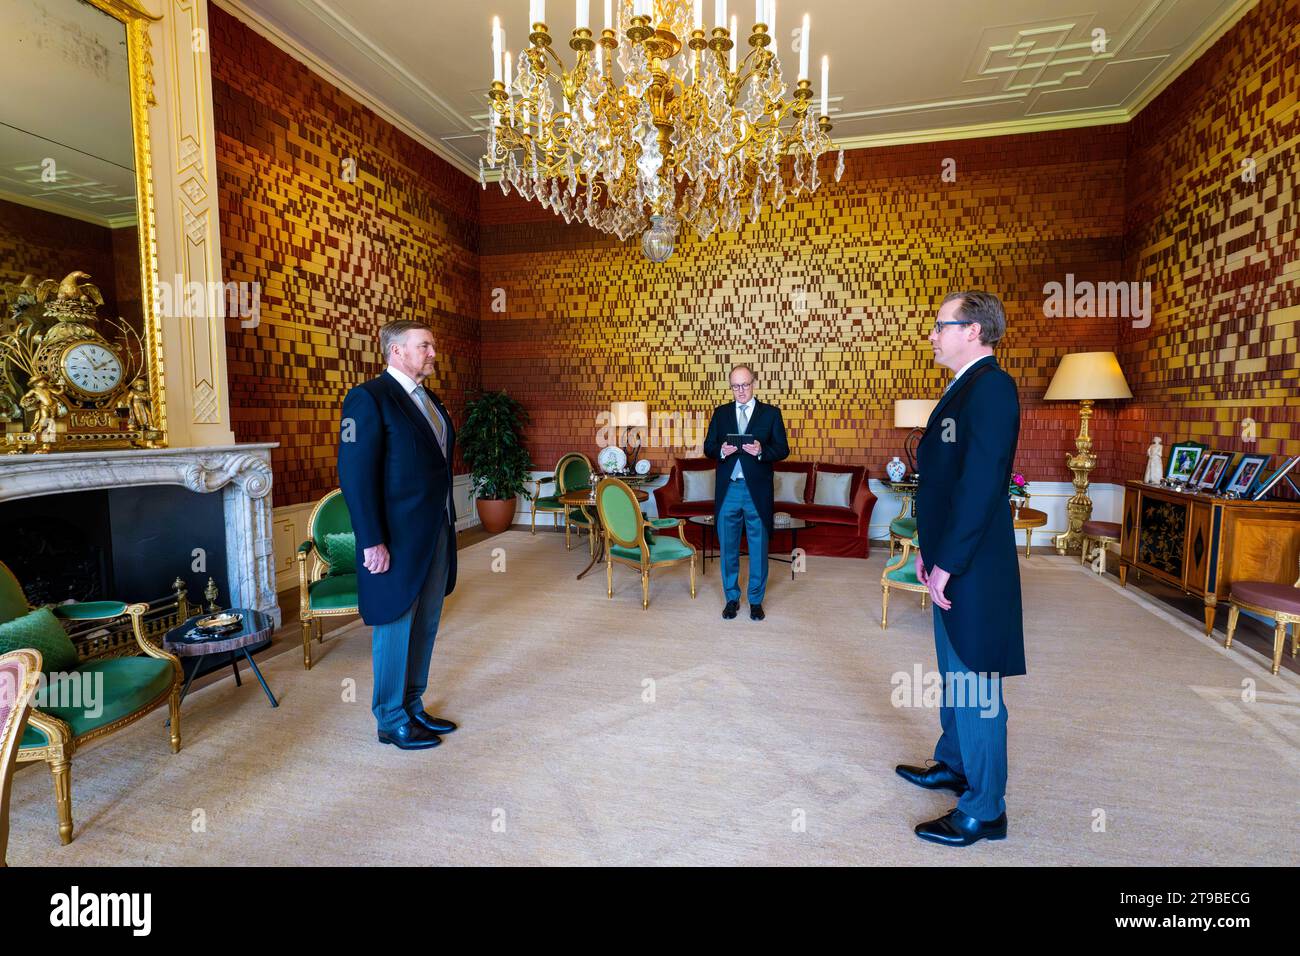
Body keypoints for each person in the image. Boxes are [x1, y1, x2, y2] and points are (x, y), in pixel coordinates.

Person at [896, 291, 1025, 846]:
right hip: (949, 554)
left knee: (976, 682)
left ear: (972, 330)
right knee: (953, 675)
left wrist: (949, 560)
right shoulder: (961, 388)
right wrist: (929, 550)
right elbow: (944, 483)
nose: (932, 335)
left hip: (973, 564)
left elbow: (980, 483)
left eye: (940, 326)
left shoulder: (992, 386)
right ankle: (953, 763)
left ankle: (985, 808)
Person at [337, 320, 459, 751]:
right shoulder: (368, 399)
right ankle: (389, 718)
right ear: (396, 352)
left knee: (425, 623)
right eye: (424, 345)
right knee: (395, 623)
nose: (432, 353)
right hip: (394, 538)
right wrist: (371, 540)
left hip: (436, 530)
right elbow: (355, 476)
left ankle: (412, 704)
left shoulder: (430, 400)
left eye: (432, 345)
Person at [701, 364, 790, 621]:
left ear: (754, 383)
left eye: (745, 384)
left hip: (757, 491)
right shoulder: (721, 413)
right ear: (731, 387)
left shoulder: (771, 414)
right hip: (729, 489)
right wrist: (721, 451)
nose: (741, 390)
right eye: (735, 386)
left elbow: (783, 449)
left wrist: (762, 451)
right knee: (728, 546)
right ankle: (731, 598)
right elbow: (708, 446)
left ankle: (755, 600)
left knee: (758, 547)